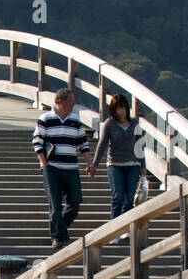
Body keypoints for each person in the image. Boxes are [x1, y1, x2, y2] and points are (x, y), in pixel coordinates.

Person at [33, 88, 94, 250]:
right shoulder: (45, 118)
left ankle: (61, 228)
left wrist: (90, 163)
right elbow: (37, 142)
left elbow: (83, 144)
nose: (72, 105)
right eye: (69, 102)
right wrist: (45, 164)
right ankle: (57, 237)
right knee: (55, 203)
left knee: (75, 200)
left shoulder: (75, 120)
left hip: (71, 167)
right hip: (51, 167)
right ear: (59, 102)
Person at [95, 94, 147, 241]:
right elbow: (102, 145)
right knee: (117, 196)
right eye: (117, 109)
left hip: (133, 165)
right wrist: (95, 164)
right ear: (113, 110)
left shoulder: (135, 123)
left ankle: (126, 229)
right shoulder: (109, 124)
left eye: (122, 108)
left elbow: (140, 145)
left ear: (127, 108)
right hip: (115, 164)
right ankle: (114, 231)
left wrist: (143, 165)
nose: (120, 112)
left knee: (129, 199)